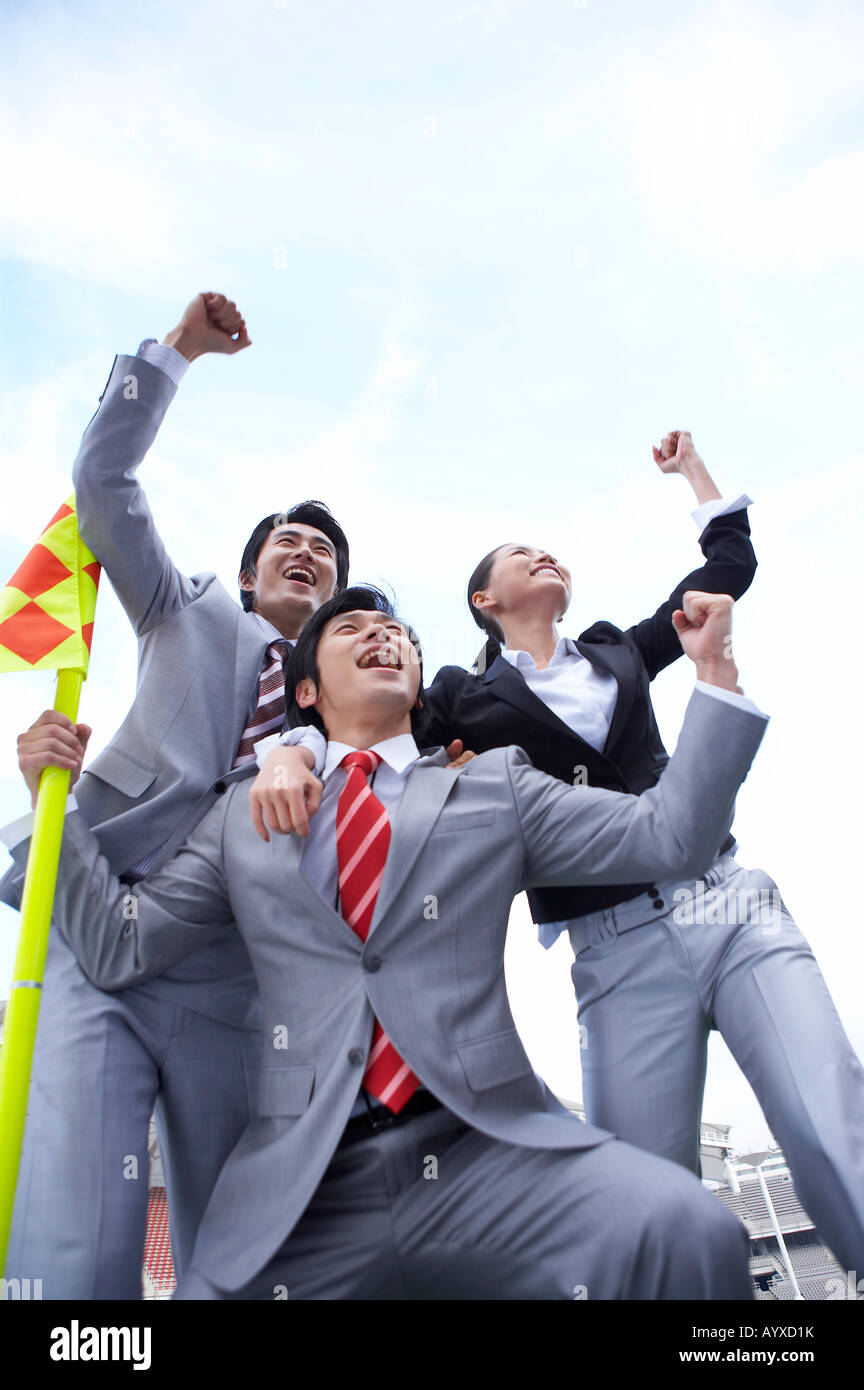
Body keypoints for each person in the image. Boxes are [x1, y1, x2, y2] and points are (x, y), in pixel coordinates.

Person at [7, 583, 768, 1299]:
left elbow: (672, 837)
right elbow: (120, 944)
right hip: (305, 1189)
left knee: (691, 1233)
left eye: (398, 632)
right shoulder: (241, 817)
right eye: (351, 628)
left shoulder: (496, 785)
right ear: (304, 694)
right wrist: (59, 804)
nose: (383, 635)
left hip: (488, 1150)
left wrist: (715, 674)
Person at [252, 431, 864, 1275]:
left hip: (723, 900)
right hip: (613, 950)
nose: (542, 555)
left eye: (546, 550)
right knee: (646, 1202)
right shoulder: (461, 698)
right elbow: (361, 723)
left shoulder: (621, 649)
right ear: (482, 599)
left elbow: (730, 566)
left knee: (832, 1122)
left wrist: (692, 472)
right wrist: (290, 750)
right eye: (517, 554)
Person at [0, 292, 350, 1298]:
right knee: (73, 1249)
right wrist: (180, 351)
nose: (305, 552)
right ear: (245, 578)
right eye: (286, 541)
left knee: (235, 1255)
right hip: (91, 922)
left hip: (233, 987)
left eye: (324, 552)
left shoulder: (357, 711)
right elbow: (102, 482)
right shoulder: (187, 609)